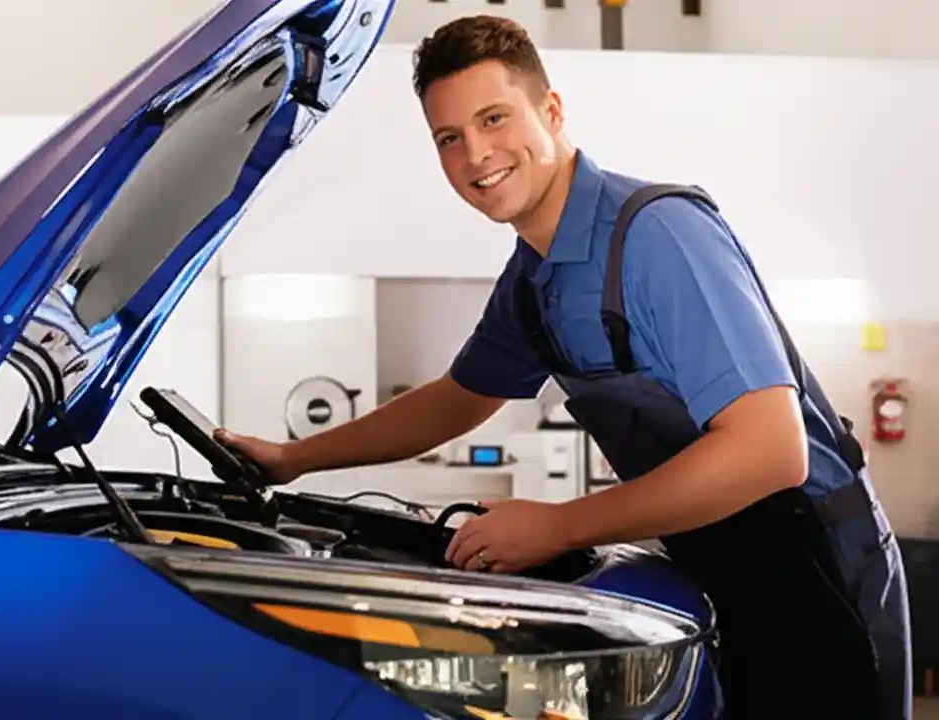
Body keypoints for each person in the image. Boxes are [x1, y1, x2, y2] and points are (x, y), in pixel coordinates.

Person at [215, 14, 913, 720]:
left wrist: (561, 526)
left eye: (494, 118)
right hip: (725, 572)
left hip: (821, 573)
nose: (475, 154)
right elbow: (455, 399)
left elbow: (771, 452)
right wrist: (294, 458)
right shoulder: (534, 280)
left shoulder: (657, 235)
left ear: (551, 110)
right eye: (449, 139)